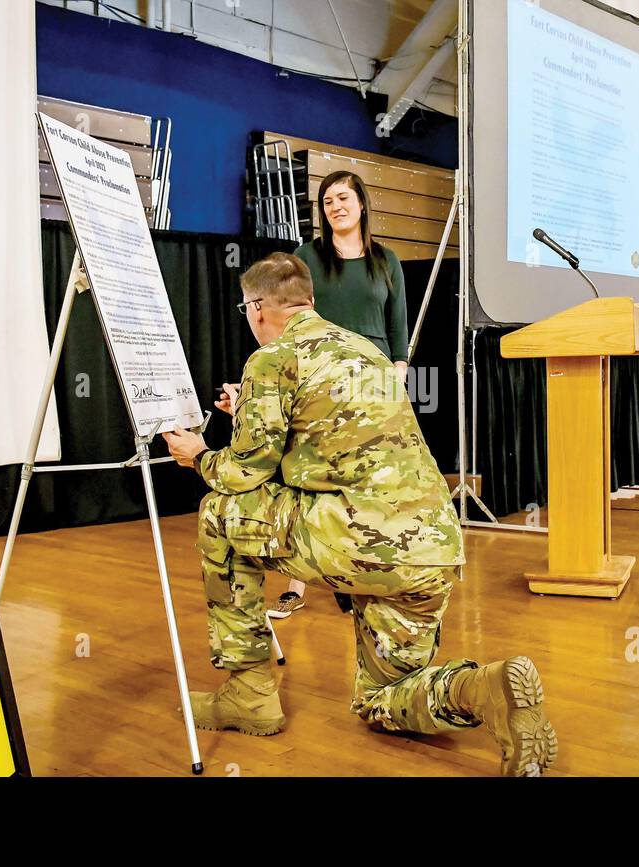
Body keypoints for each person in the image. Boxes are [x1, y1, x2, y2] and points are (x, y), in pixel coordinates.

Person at [163, 253, 556, 776]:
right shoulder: (364, 350)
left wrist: (198, 455)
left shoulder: (272, 359)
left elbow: (244, 474)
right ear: (308, 300)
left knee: (219, 513)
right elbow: (333, 442)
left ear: (257, 309)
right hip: (432, 548)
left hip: (360, 540)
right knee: (383, 697)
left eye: (245, 308)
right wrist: (253, 408)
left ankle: (249, 694)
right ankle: (485, 688)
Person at [269, 170, 409, 619]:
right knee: (310, 474)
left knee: (368, 480)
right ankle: (298, 583)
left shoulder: (387, 260)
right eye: (327, 201)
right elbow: (287, 313)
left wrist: (398, 374)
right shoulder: (306, 256)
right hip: (320, 375)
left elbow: (398, 328)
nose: (336, 206)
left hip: (374, 378)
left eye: (344, 198)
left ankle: (363, 575)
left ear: (362, 204)